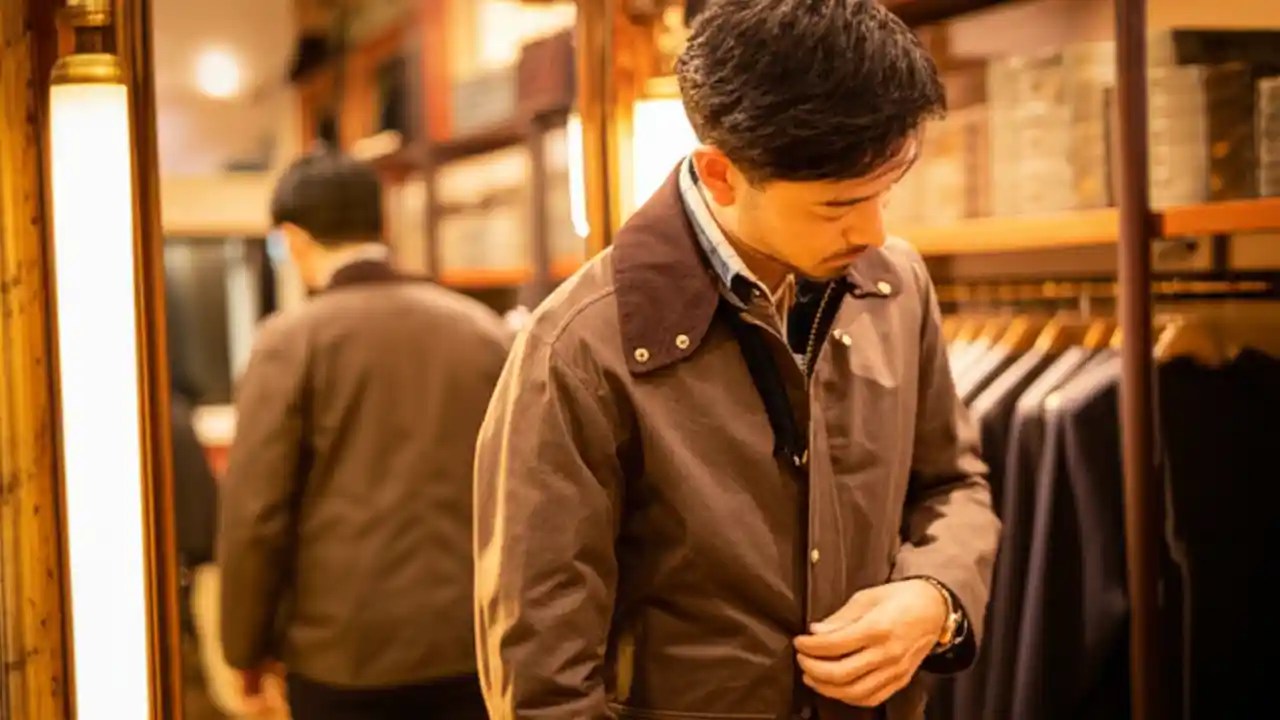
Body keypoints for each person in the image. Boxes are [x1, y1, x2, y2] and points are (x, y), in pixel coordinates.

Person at [473, 1, 1001, 719]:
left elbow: (952, 482)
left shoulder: (895, 284)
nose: (875, 230)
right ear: (720, 175)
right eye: (838, 204)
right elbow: (541, 678)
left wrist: (935, 597)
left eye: (886, 193)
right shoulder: (580, 348)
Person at [218, 150, 510, 720]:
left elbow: (257, 514)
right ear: (384, 226)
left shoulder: (290, 341)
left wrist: (245, 653)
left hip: (342, 653)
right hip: (469, 643)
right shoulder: (481, 331)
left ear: (295, 238)